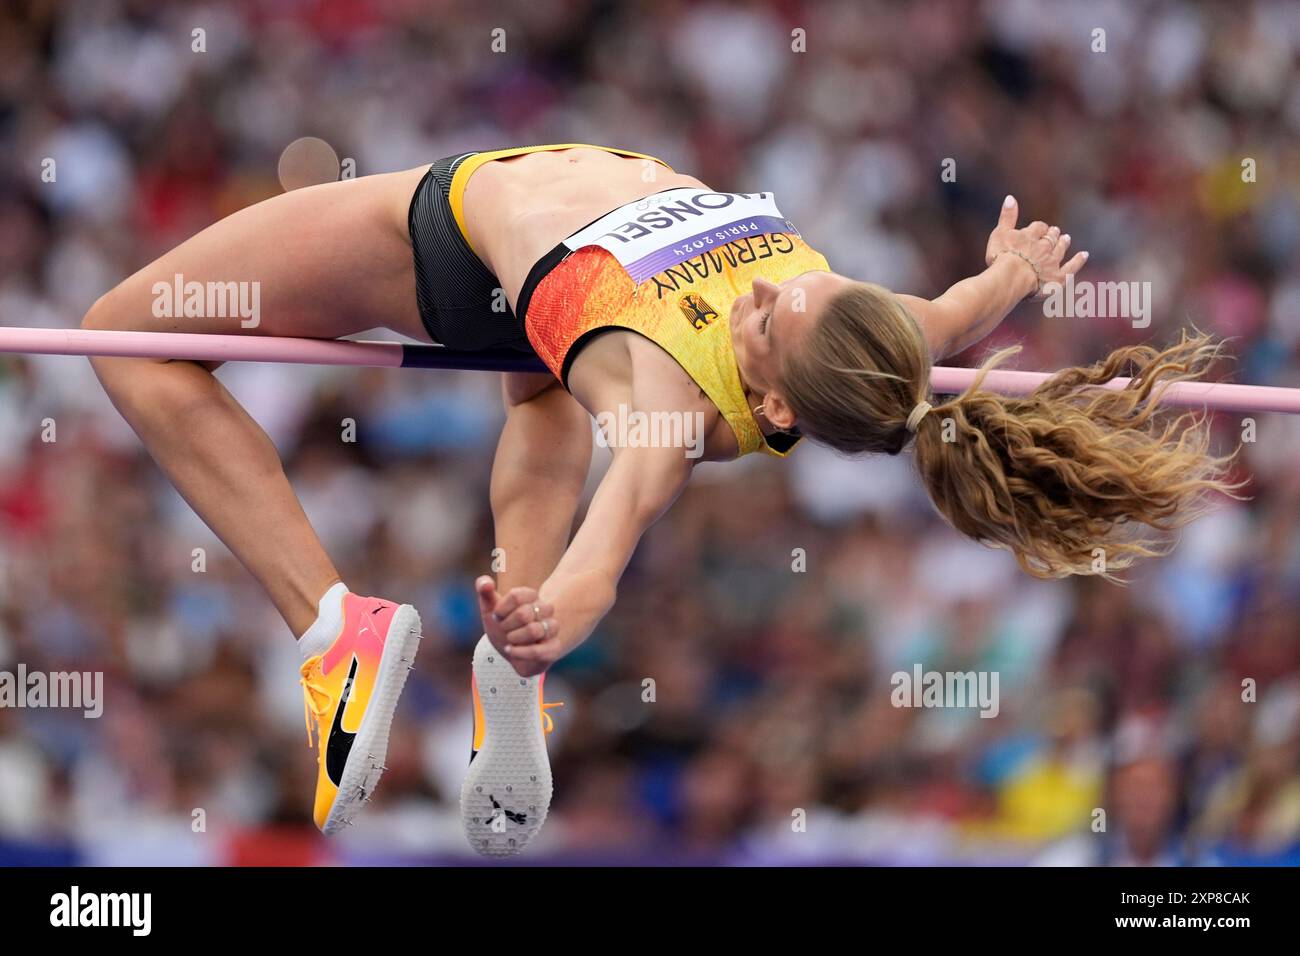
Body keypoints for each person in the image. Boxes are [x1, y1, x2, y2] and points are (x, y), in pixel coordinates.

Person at [82, 144, 1234, 851]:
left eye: (766, 317)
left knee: (124, 334)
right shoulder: (872, 340)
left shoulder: (670, 408)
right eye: (805, 279)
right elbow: (948, 320)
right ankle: (508, 686)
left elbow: (613, 537)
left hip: (446, 240)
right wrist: (1009, 275)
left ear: (771, 406)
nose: (778, 283)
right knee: (537, 399)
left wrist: (558, 620)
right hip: (535, 312)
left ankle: (336, 626)